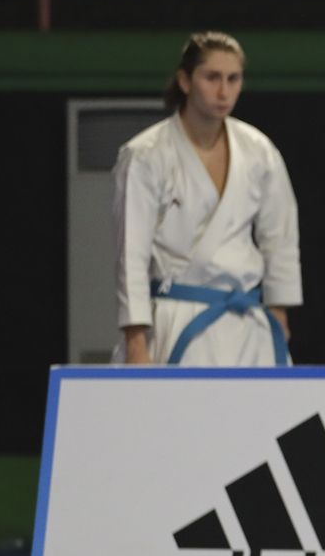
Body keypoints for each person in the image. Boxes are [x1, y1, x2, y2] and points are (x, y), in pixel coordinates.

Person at [113, 32, 302, 366]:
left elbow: (280, 239)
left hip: (248, 323)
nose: (223, 91)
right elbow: (131, 254)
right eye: (212, 77)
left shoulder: (259, 151)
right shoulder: (146, 155)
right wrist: (135, 340)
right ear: (185, 81)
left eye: (233, 79)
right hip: (175, 316)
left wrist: (278, 311)